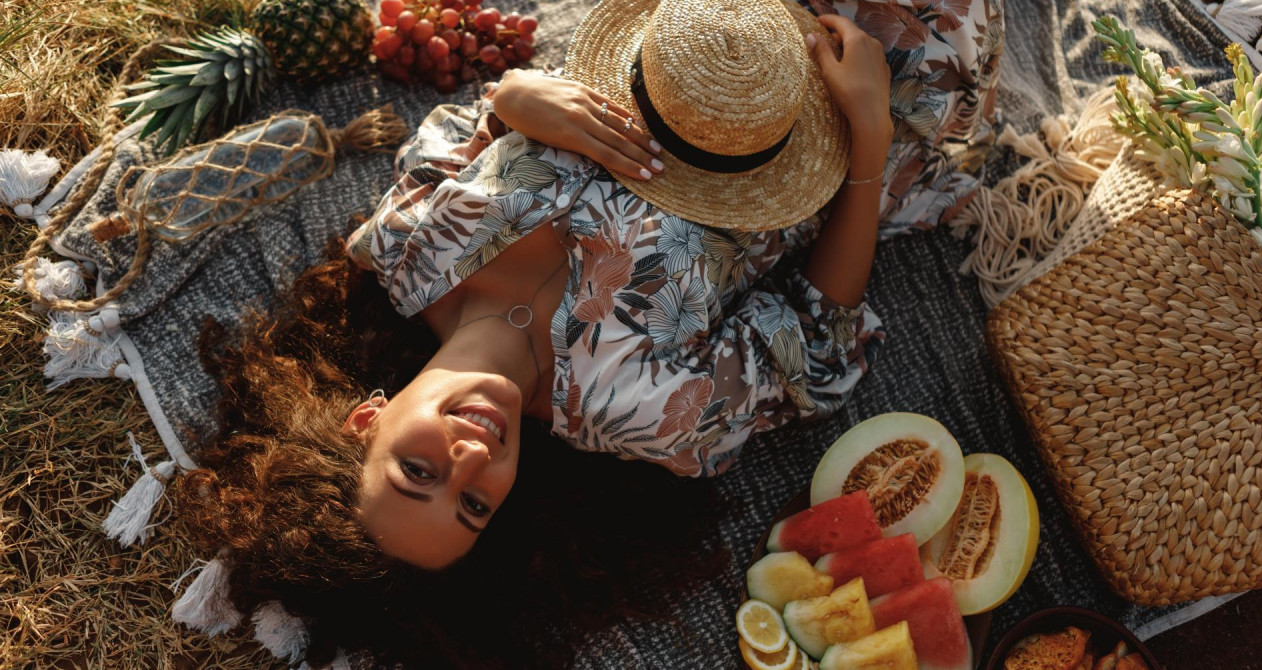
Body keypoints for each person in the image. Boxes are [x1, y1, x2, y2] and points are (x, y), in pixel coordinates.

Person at [174, 0, 1003, 666]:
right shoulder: (642, 413)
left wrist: (511, 100)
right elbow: (819, 340)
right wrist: (868, 135)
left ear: (369, 418)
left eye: (417, 468)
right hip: (860, 81)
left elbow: (468, 124)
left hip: (689, 28)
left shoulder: (403, 248)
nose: (471, 458)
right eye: (471, 506)